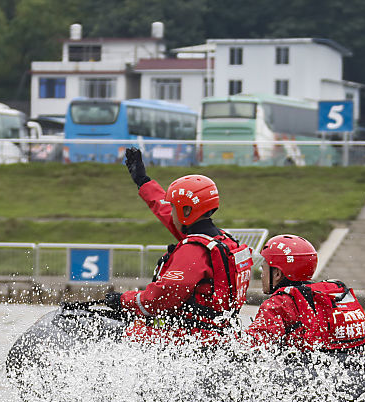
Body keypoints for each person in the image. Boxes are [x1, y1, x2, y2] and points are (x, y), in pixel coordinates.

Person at [103, 147, 253, 343]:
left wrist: (123, 300)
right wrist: (143, 181)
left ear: (186, 211)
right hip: (220, 334)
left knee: (111, 334)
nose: (170, 210)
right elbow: (169, 214)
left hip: (189, 339)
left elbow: (160, 298)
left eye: (173, 206)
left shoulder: (193, 251)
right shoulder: (225, 242)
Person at [244, 234, 365, 351]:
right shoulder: (326, 293)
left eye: (263, 268)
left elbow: (251, 345)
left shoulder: (279, 303)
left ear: (277, 274)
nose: (262, 274)